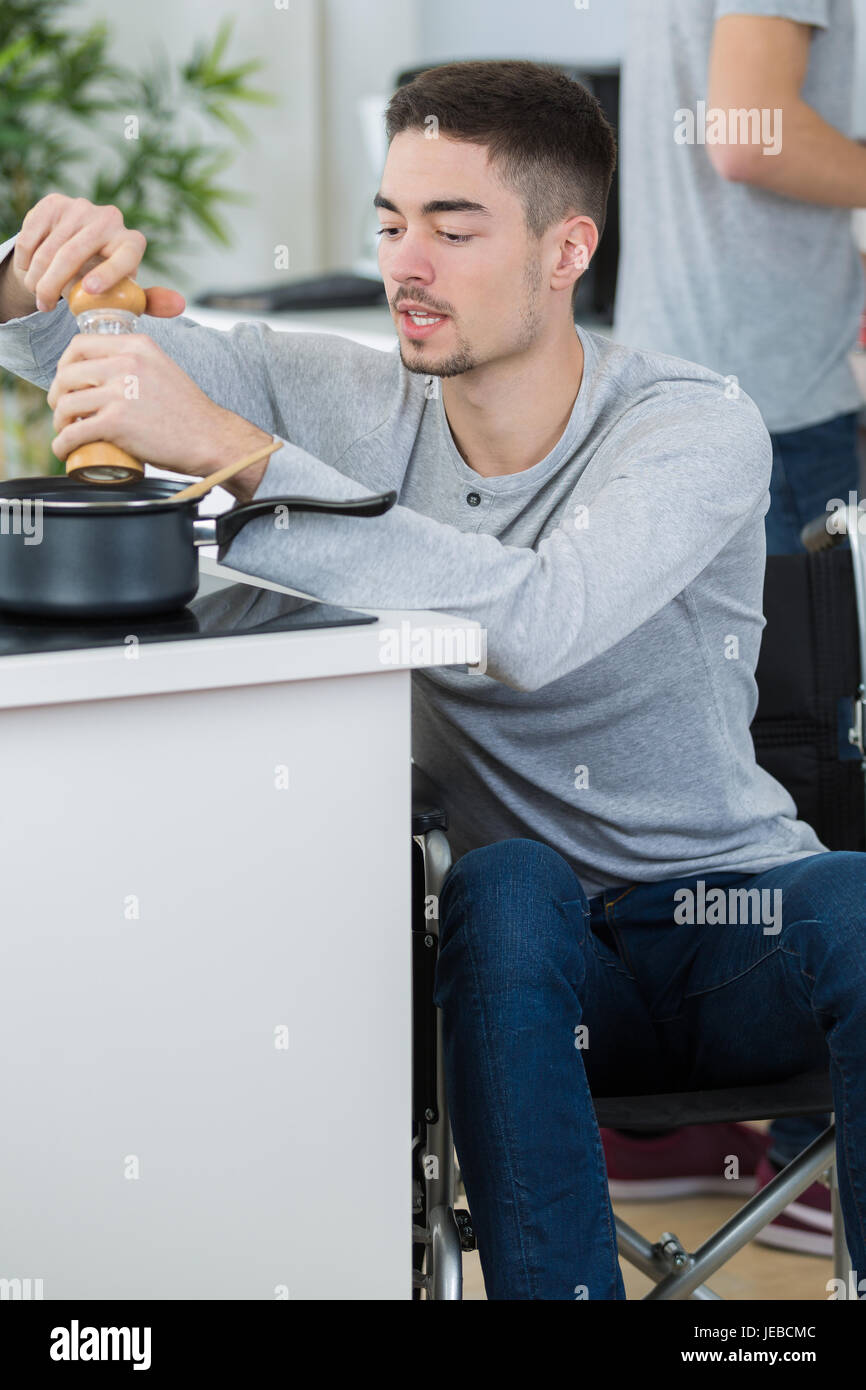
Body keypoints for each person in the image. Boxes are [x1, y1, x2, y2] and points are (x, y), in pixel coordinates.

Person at [2, 59, 865, 1301]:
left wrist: (248, 466)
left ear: (567, 248)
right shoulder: (355, 397)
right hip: (530, 949)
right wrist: (34, 273)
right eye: (390, 223)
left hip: (730, 934)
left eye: (454, 228)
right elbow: (91, 344)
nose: (407, 263)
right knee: (506, 881)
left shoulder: (691, 427)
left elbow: (536, 621)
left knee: (852, 897)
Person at [612, 0, 866, 1257]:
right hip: (762, 402)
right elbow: (747, 133)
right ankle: (803, 1151)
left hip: (696, 374)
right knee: (792, 751)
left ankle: (664, 1134)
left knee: (693, 741)